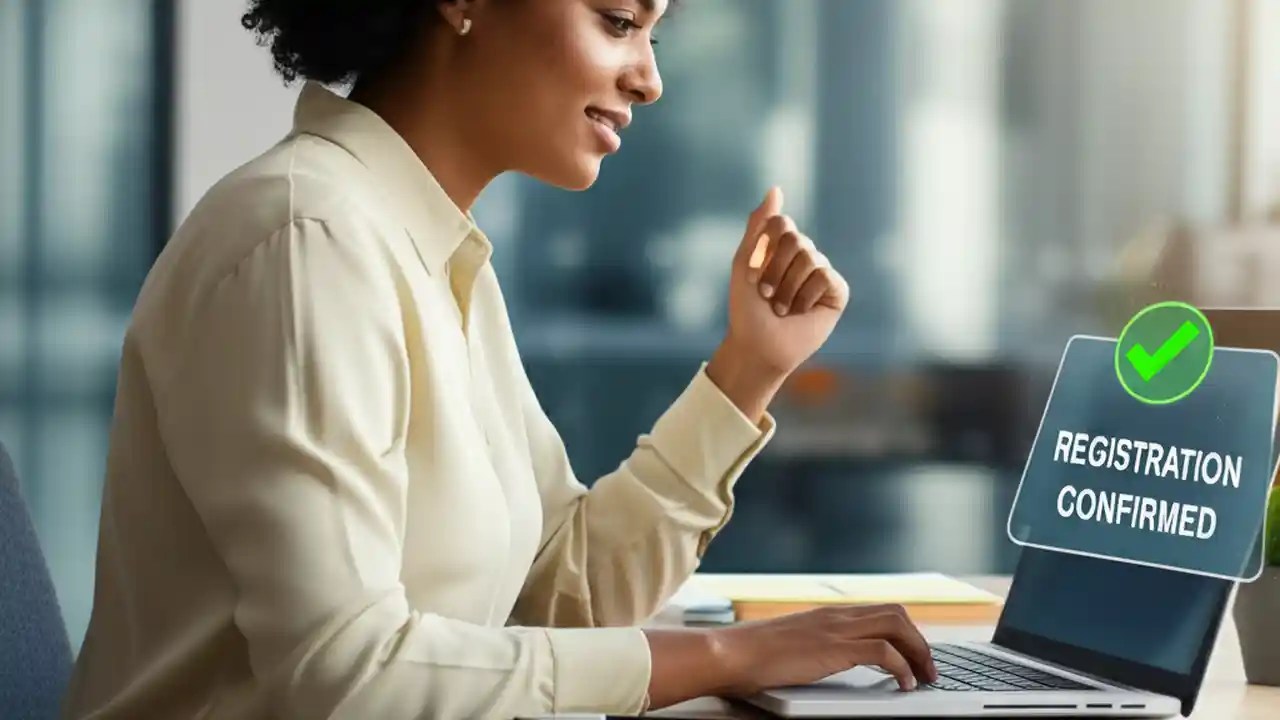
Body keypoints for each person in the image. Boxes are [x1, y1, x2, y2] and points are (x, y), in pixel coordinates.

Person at [64, 1, 937, 718]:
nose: (650, 76)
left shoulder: (432, 252)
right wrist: (723, 654)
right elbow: (346, 677)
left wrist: (749, 368)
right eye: (617, 20)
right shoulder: (309, 239)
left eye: (651, 33)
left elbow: (566, 596)